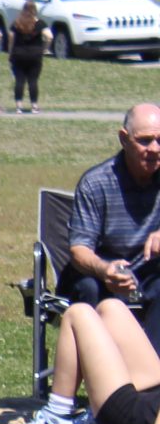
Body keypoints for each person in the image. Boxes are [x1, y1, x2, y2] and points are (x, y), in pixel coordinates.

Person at [64, 103, 160, 351]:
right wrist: (106, 270)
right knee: (88, 288)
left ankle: (152, 375)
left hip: (150, 274)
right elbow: (79, 250)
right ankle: (105, 374)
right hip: (100, 276)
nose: (155, 149)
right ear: (124, 139)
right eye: (145, 141)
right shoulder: (96, 183)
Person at [12, 296, 160, 424]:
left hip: (130, 417)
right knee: (111, 309)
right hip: (152, 398)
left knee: (77, 314)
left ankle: (55, 418)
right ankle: (84, 417)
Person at [9, 0, 48, 114]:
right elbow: (49, 36)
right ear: (35, 10)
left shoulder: (17, 23)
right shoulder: (39, 23)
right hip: (35, 55)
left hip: (19, 54)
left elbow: (11, 38)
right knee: (33, 80)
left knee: (19, 80)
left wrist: (10, 52)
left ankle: (19, 106)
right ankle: (34, 106)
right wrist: (45, 49)